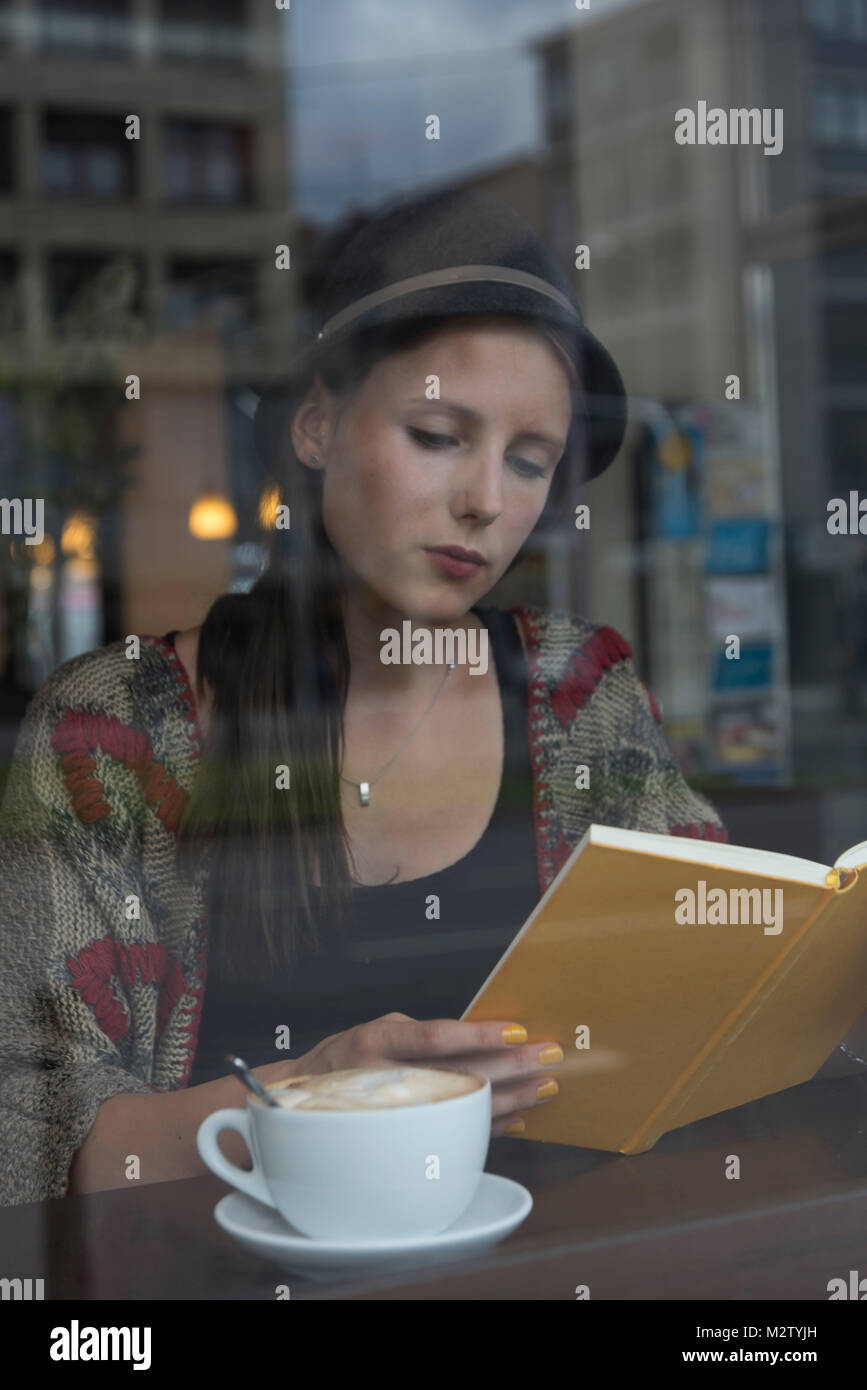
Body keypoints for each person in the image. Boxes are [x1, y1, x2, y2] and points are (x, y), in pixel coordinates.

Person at [0, 186, 851, 1212]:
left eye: (529, 462)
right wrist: (318, 1094)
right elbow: (27, 1135)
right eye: (440, 434)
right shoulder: (112, 731)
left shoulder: (585, 701)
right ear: (316, 426)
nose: (488, 501)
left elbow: (721, 1006)